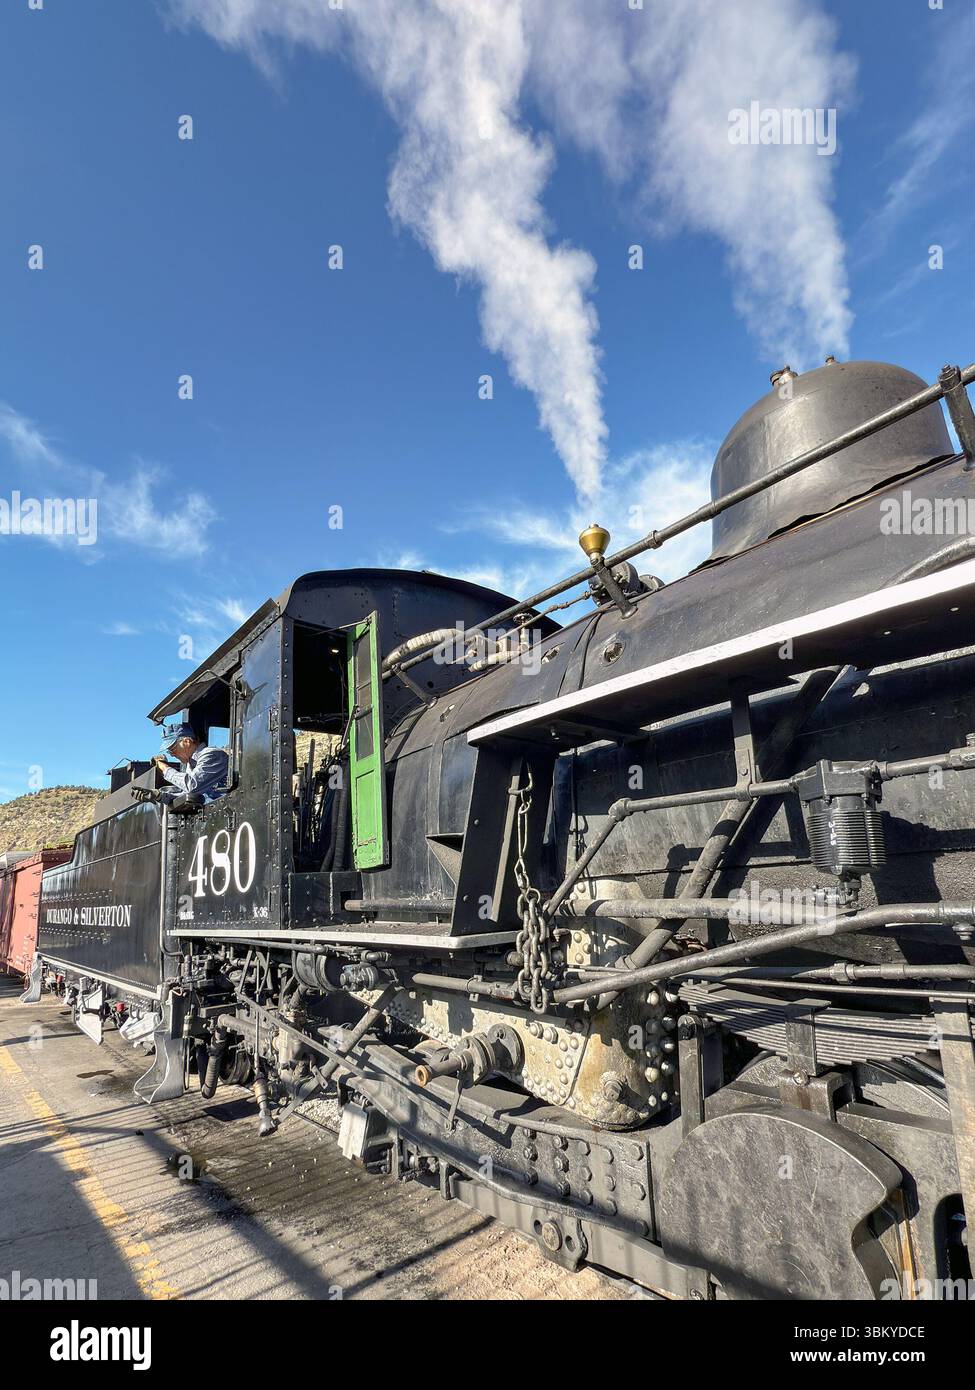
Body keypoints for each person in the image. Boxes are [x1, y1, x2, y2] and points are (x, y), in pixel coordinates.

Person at [153, 723, 229, 804]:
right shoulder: (191, 764)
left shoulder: (212, 755)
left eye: (173, 749)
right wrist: (158, 796)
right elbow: (186, 795)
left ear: (187, 741)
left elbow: (192, 786)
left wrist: (165, 768)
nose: (172, 755)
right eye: (169, 752)